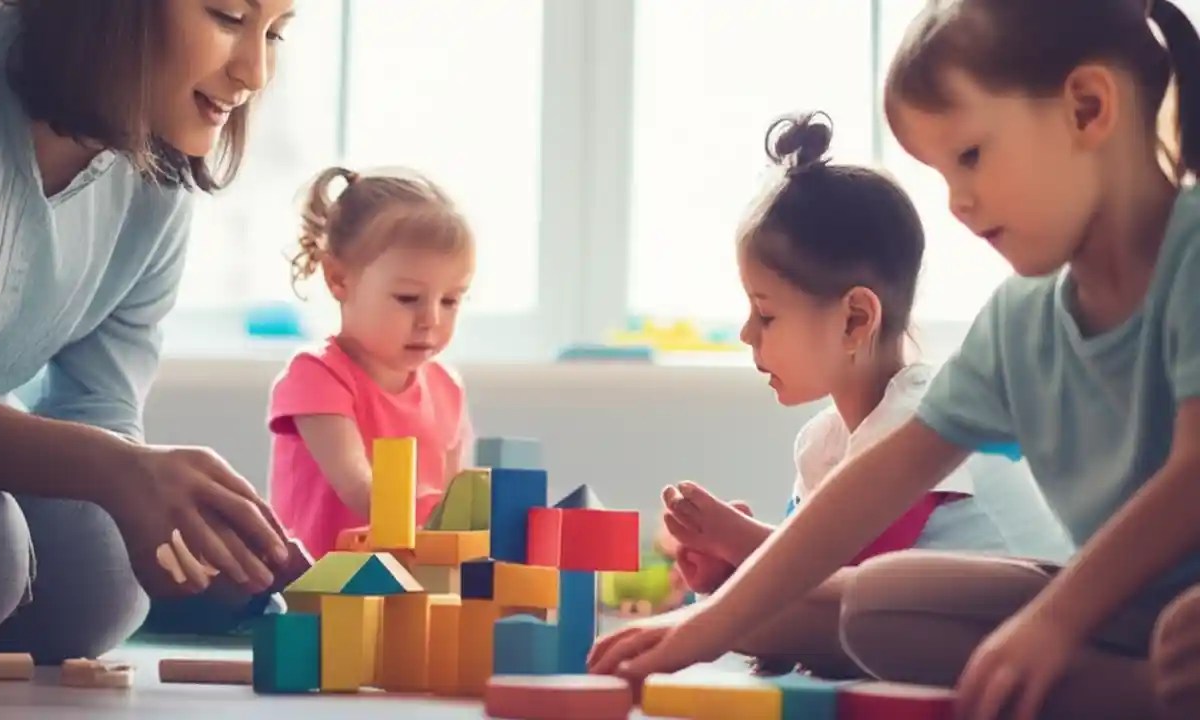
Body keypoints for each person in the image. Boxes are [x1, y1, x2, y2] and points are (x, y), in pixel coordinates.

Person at [594, 2, 1200, 719]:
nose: (957, 204)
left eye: (970, 157)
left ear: (1088, 107)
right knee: (878, 606)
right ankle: (1136, 697)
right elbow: (878, 481)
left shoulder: (1189, 257)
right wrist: (699, 625)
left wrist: (1055, 621)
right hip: (1124, 613)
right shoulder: (1020, 318)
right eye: (941, 173)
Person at [591, 112, 1071, 679]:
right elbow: (809, 574)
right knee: (750, 612)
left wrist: (736, 539)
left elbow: (854, 570)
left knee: (829, 605)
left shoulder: (915, 410)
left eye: (765, 313)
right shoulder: (822, 443)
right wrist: (727, 573)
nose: (748, 334)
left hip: (1019, 614)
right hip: (900, 621)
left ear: (854, 320)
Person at [0, 0, 300, 662]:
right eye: (227, 16)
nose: (256, 72)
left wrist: (180, 523)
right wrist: (118, 470)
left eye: (274, 33)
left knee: (103, 579)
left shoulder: (155, 175)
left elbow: (99, 409)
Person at [266, 166, 475, 559]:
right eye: (408, 298)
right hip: (322, 591)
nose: (431, 318)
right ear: (339, 280)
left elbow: (457, 491)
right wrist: (454, 515)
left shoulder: (446, 387)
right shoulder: (316, 376)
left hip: (416, 588)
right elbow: (359, 488)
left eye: (451, 300)